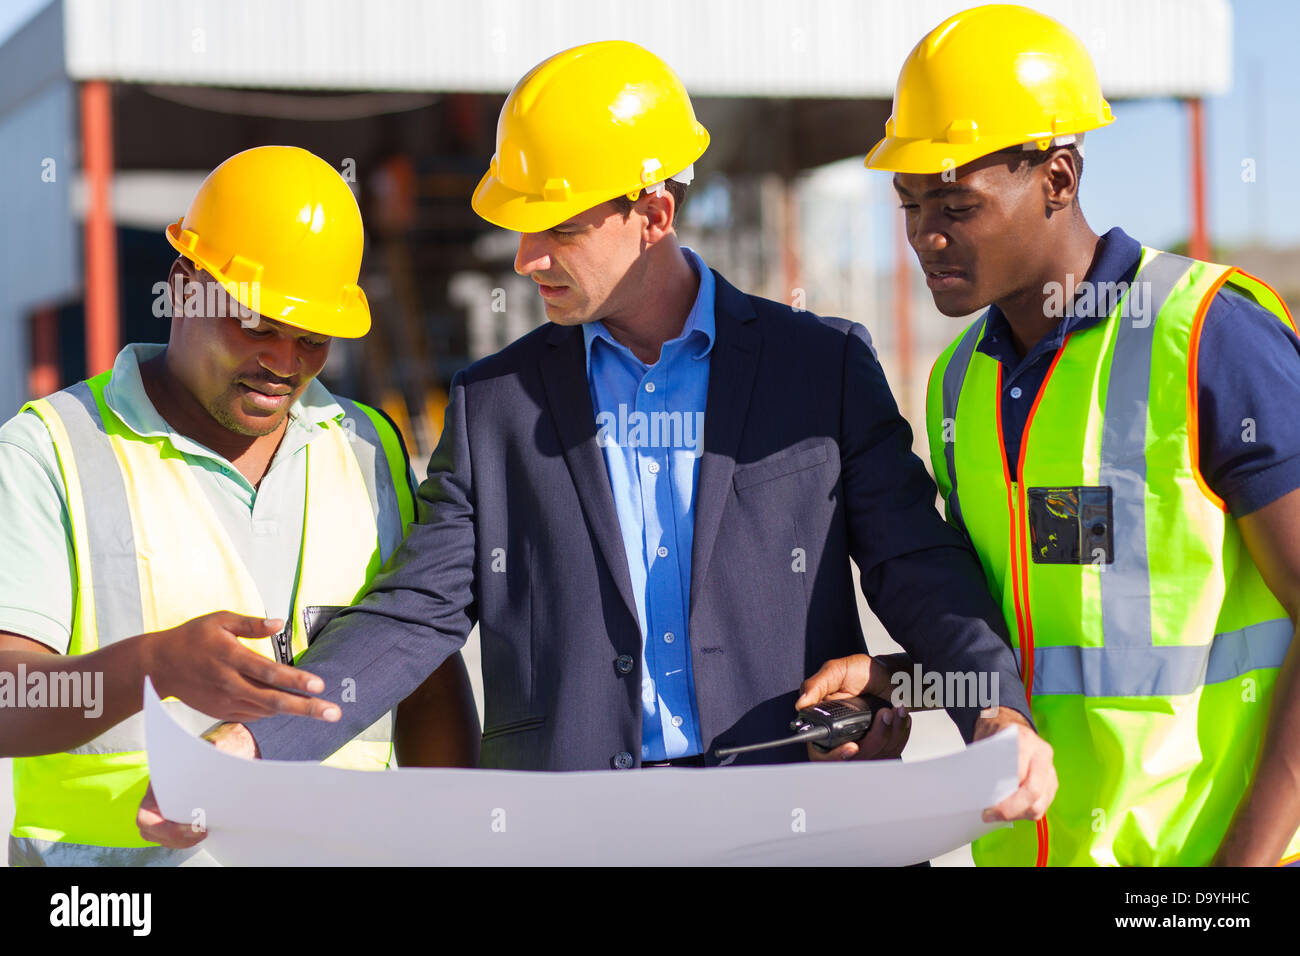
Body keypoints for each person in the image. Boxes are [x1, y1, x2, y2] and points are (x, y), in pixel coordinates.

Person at [139, 41, 1056, 854]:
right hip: (570, 836)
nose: (526, 258)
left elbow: (917, 566)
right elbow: (415, 613)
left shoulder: (820, 367)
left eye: (560, 228)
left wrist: (994, 710)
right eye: (522, 227)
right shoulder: (497, 403)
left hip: (795, 815)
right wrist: (255, 744)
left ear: (652, 214)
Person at [810, 3, 1300, 866]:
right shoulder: (960, 379)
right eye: (911, 202)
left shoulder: (1209, 337)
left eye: (957, 203)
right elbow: (1043, 640)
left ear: (1058, 178)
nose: (925, 236)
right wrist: (905, 681)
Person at [0, 145, 478, 866]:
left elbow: (424, 675)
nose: (284, 363)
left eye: (312, 337)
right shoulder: (53, 450)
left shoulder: (365, 445)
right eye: (255, 324)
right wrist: (152, 667)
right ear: (185, 287)